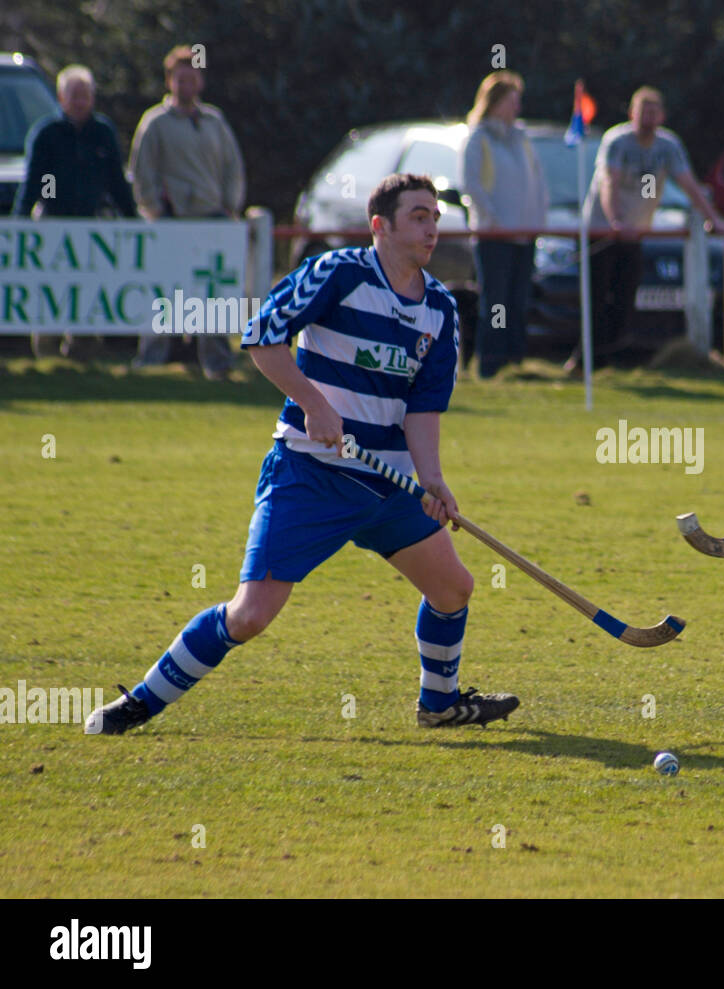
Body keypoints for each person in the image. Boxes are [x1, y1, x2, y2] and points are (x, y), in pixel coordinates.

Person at [85, 174, 519, 736]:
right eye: (417, 215)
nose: (431, 227)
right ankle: (139, 704)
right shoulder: (337, 274)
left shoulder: (439, 308)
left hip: (390, 485)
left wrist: (432, 479)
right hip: (310, 474)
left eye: (435, 216)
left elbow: (423, 408)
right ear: (380, 226)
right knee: (250, 616)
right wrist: (312, 403)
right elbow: (262, 335)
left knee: (453, 588)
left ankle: (438, 705)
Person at [569, 86, 724, 372]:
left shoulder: (668, 146)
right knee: (594, 299)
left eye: (654, 111)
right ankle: (584, 362)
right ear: (631, 113)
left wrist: (714, 219)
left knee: (624, 298)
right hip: (601, 231)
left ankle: (611, 361)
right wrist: (616, 221)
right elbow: (610, 182)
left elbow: (689, 184)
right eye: (643, 110)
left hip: (634, 234)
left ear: (663, 115)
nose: (648, 117)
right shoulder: (617, 141)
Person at [128, 44, 246, 379]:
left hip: (210, 222)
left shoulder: (214, 121)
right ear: (169, 81)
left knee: (212, 295)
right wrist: (155, 212)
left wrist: (229, 205)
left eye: (192, 78)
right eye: (180, 79)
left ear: (201, 82)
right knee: (165, 294)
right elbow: (143, 172)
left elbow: (232, 168)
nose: (186, 85)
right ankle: (153, 361)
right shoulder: (156, 123)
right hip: (173, 224)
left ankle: (216, 361)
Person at [13, 64, 136, 359]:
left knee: (88, 288)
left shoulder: (103, 133)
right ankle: (48, 352)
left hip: (90, 223)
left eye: (85, 95)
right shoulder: (47, 134)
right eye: (74, 95)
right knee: (53, 290)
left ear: (92, 97)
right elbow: (35, 182)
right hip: (54, 221)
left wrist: (132, 217)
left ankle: (83, 352)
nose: (80, 101)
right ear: (61, 97)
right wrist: (19, 221)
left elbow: (116, 182)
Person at [460, 70, 548, 378]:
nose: (517, 108)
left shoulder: (522, 138)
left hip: (524, 237)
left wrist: (538, 221)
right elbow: (472, 184)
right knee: (496, 303)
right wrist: (493, 220)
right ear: (495, 102)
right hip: (493, 237)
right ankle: (491, 364)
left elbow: (537, 181)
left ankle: (515, 362)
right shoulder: (478, 137)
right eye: (512, 101)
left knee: (518, 300)